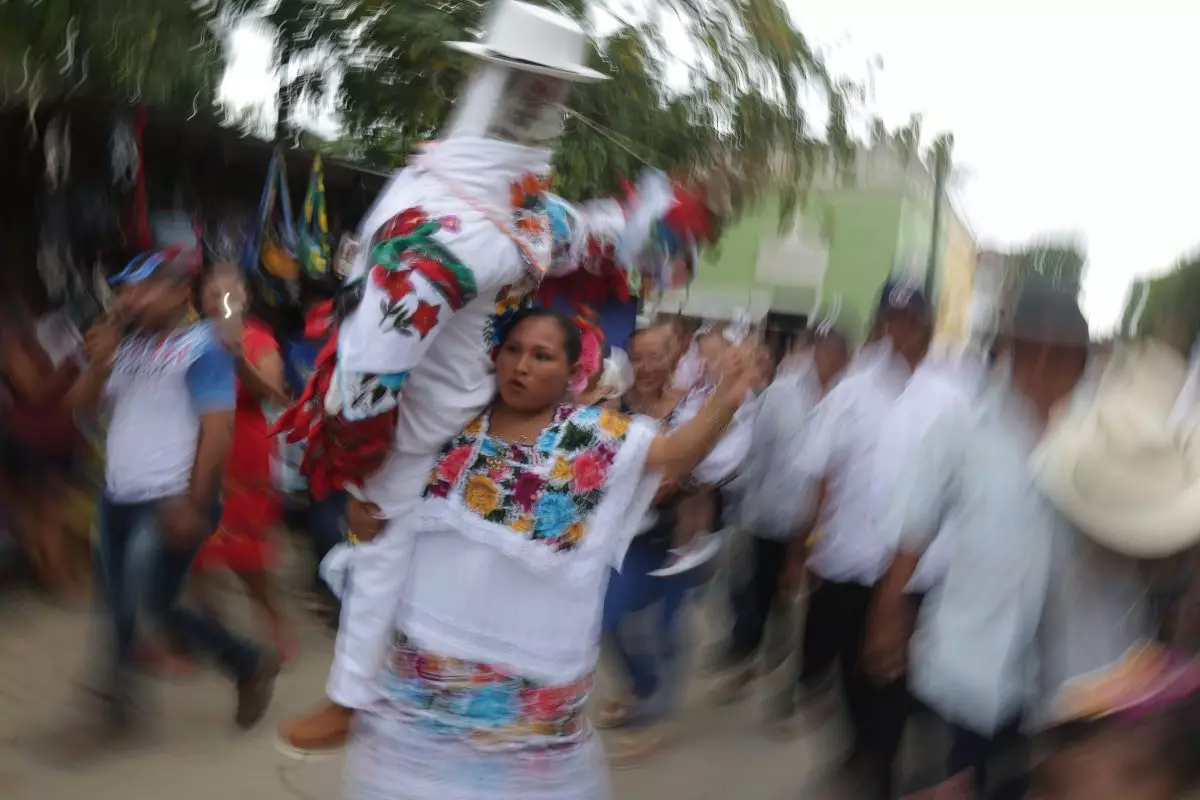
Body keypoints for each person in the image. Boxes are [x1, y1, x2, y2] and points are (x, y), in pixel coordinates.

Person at [274, 0, 718, 754]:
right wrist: (357, 473)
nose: (541, 104)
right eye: (531, 89)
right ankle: (358, 693)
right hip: (426, 430)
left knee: (418, 558)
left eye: (547, 92)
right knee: (388, 556)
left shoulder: (498, 210)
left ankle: (379, 693)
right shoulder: (451, 215)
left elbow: (589, 236)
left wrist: (652, 220)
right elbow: (370, 371)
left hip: (455, 427)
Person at [339, 307, 756, 799]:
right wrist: (362, 514)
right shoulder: (452, 425)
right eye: (513, 350)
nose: (521, 366)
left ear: (571, 372)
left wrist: (729, 396)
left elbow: (678, 451)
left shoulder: (592, 436)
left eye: (541, 356)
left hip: (531, 686)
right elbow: (381, 499)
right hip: (430, 671)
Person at [866, 287, 1152, 798]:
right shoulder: (963, 427)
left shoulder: (1118, 435)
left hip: (1084, 682)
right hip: (972, 670)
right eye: (1030, 352)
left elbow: (1155, 529)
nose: (1042, 370)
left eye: (1061, 355)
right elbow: (915, 521)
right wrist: (888, 609)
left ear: (1082, 359)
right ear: (1009, 348)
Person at [65, 249, 280, 739]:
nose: (130, 298)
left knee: (143, 599)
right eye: (124, 289)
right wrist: (98, 364)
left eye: (143, 287)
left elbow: (219, 429)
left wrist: (195, 503)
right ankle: (237, 665)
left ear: (179, 294)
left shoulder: (205, 345)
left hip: (170, 500)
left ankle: (241, 659)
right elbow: (76, 407)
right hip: (117, 497)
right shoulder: (123, 347)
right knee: (127, 605)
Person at [787, 280, 932, 799]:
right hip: (845, 561)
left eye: (912, 320)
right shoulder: (850, 392)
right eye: (892, 319)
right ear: (879, 324)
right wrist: (801, 551)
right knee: (851, 670)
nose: (902, 331)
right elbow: (820, 476)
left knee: (893, 677)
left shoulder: (948, 395)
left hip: (913, 572)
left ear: (928, 324)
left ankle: (883, 772)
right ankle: (862, 750)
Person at [712, 328, 850, 701]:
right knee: (757, 590)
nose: (832, 361)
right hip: (771, 515)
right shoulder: (782, 394)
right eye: (826, 352)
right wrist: (745, 506)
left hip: (822, 525)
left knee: (799, 600)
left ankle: (783, 660)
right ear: (816, 352)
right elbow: (757, 453)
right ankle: (747, 656)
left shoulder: (850, 398)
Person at [190, 264, 296, 662]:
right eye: (211, 294)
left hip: (245, 458)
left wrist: (238, 358)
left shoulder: (259, 340)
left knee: (248, 559)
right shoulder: (192, 340)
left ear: (245, 299)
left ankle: (275, 622)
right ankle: (215, 637)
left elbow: (272, 396)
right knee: (196, 557)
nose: (219, 302)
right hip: (200, 456)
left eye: (228, 294)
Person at [0, 298, 87, 598]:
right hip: (36, 438)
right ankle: (57, 578)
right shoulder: (12, 343)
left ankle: (47, 573)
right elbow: (33, 391)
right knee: (47, 512)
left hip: (32, 436)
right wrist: (69, 367)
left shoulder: (22, 339)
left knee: (34, 512)